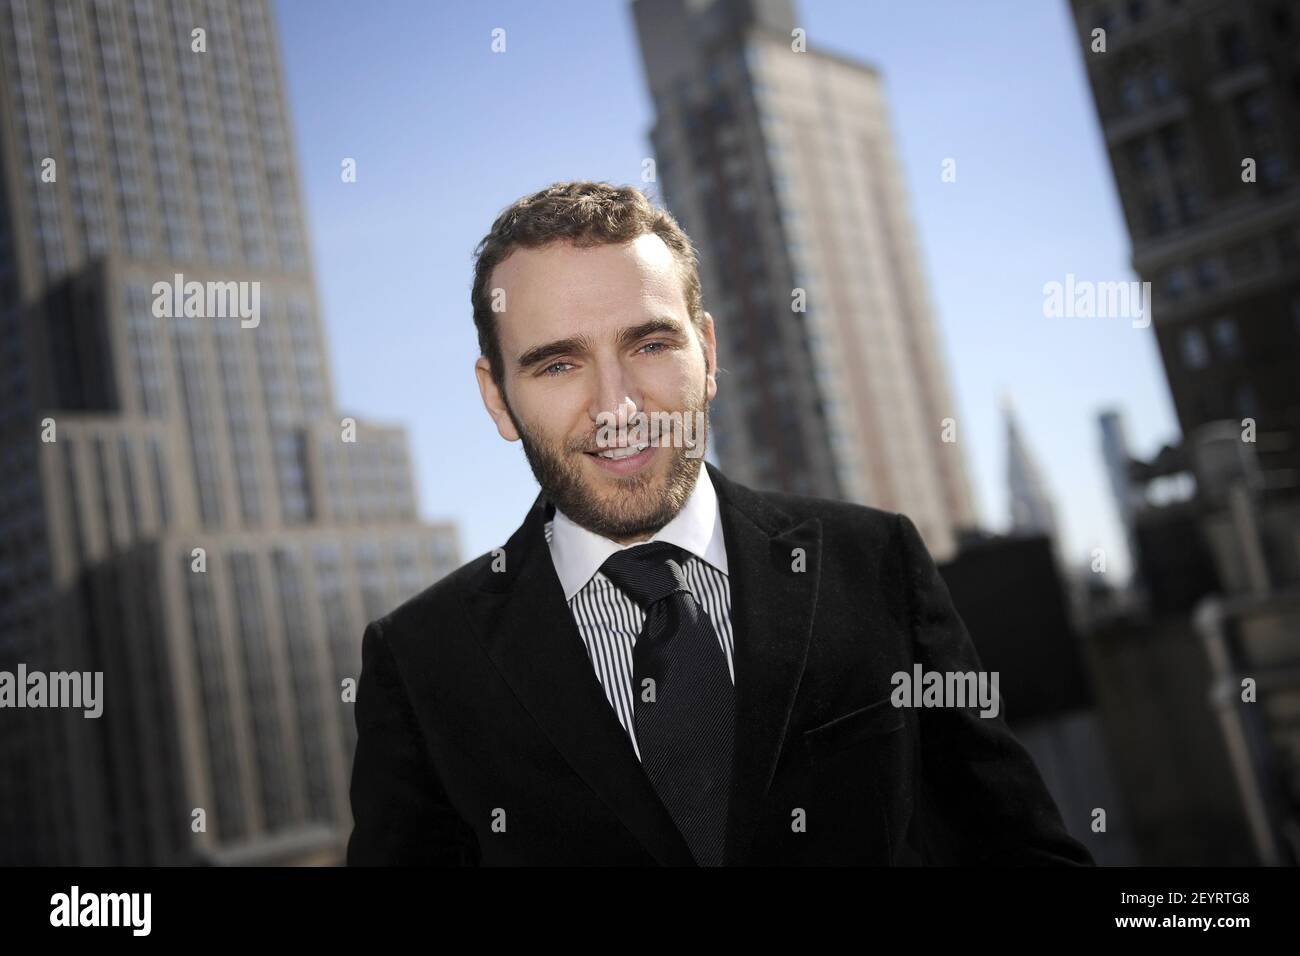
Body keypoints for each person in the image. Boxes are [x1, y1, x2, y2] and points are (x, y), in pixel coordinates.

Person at [346, 181, 1094, 866]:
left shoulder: (875, 564)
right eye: (557, 365)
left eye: (649, 344)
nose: (618, 408)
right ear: (498, 397)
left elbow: (1023, 852)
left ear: (707, 352)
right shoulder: (420, 664)